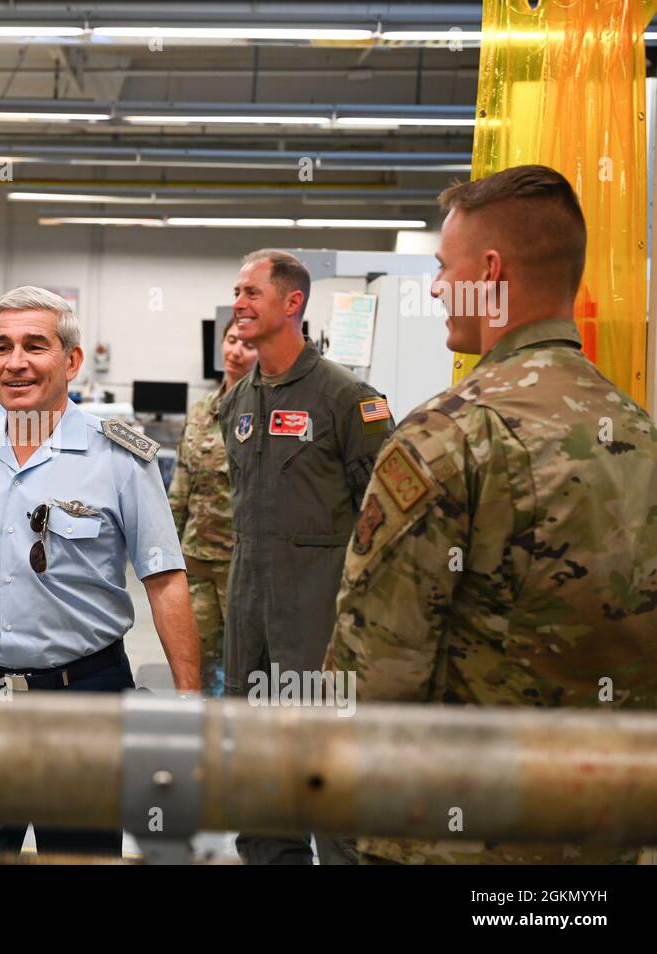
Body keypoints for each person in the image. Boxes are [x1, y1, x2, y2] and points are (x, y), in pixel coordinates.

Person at [324, 165, 657, 865]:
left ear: (490, 272)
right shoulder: (639, 432)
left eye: (445, 269)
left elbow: (376, 669)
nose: (437, 288)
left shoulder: (448, 435)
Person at [0, 285, 200, 858]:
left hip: (84, 699)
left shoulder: (120, 458)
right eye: (2, 347)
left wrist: (188, 702)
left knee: (78, 856)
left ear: (71, 361)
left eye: (35, 346)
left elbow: (164, 581)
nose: (15, 362)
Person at [218, 249, 394, 865]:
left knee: (328, 776)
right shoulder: (236, 403)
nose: (238, 304)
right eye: (236, 293)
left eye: (251, 292)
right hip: (250, 624)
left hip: (321, 630)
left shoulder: (348, 400)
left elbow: (389, 525)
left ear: (293, 302)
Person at [168, 313, 257, 696]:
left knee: (245, 671)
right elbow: (181, 484)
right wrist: (166, 552)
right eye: (232, 340)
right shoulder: (201, 410)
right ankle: (200, 729)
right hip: (197, 561)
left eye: (248, 344)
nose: (236, 351)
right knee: (196, 665)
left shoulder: (269, 410)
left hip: (245, 567)